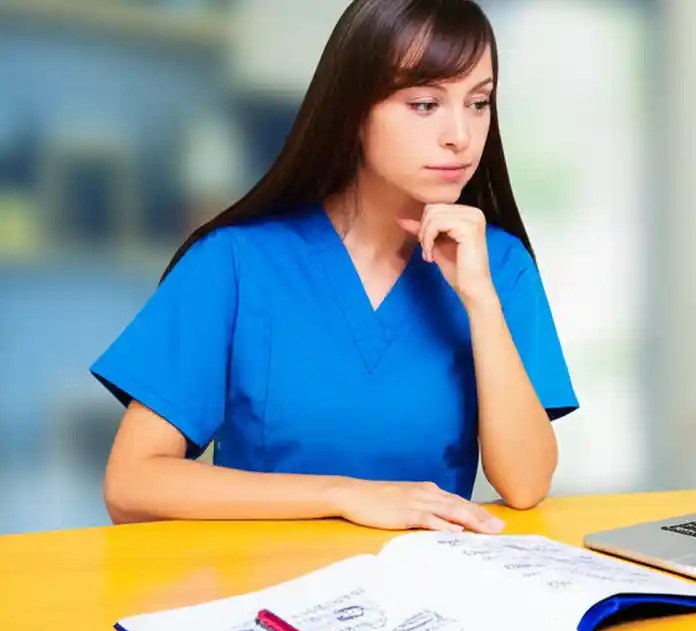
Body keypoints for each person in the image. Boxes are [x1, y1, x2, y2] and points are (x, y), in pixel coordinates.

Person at [90, 0, 577, 533]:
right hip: (257, 594)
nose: (460, 135)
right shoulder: (233, 262)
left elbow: (526, 485)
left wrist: (481, 303)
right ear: (353, 112)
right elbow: (132, 485)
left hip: (428, 594)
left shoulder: (499, 266)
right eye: (424, 104)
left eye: (478, 102)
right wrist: (345, 496)